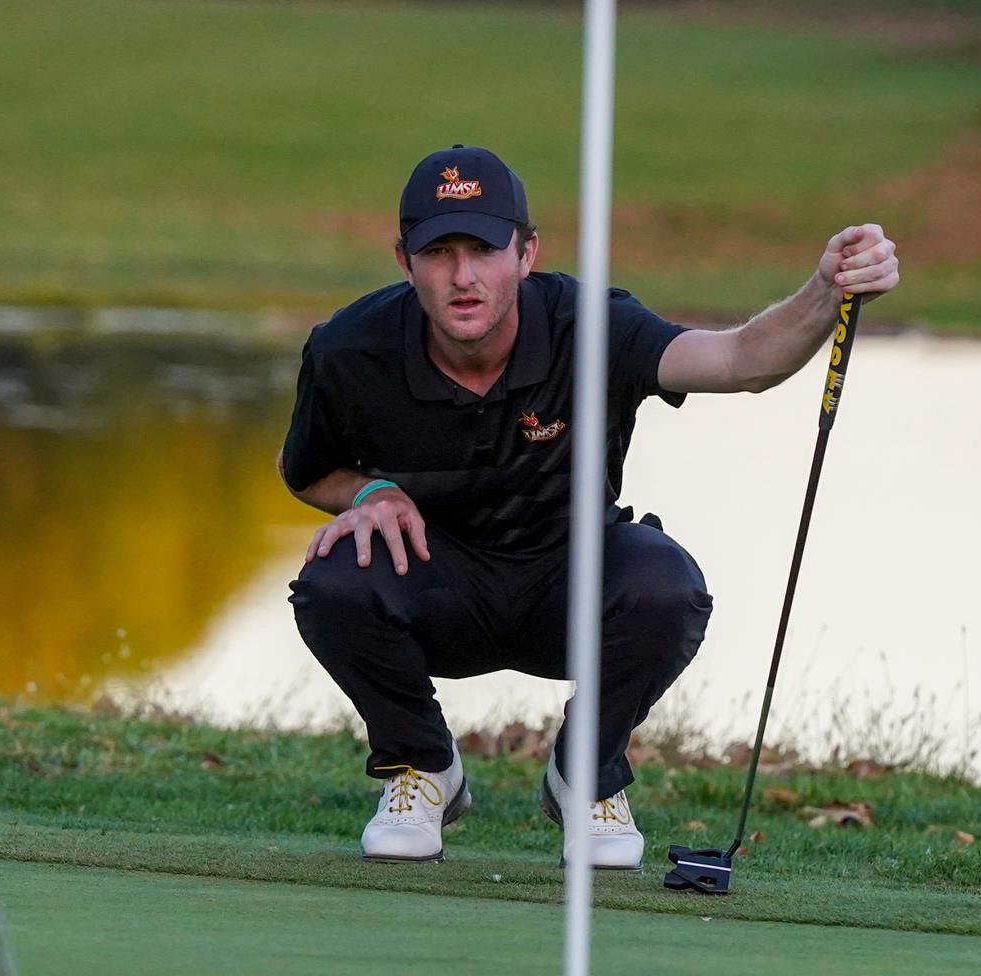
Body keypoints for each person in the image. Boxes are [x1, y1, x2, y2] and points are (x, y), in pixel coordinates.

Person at [281, 146, 899, 869]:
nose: (463, 275)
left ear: (527, 251)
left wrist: (825, 292)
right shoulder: (350, 348)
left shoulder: (591, 323)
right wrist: (369, 490)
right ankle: (422, 767)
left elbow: (739, 361)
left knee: (667, 584)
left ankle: (585, 774)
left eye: (483, 248)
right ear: (404, 260)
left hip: (567, 583)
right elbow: (305, 471)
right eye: (438, 252)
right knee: (331, 581)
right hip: (436, 585)